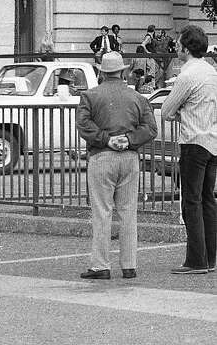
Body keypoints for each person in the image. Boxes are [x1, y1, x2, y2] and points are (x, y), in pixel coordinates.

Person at [76, 51, 157, 280]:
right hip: (129, 158)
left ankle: (101, 265)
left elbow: (83, 125)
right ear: (123, 71)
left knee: (102, 211)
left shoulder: (90, 96)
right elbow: (150, 128)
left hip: (102, 156)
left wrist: (105, 139)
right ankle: (129, 265)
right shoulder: (138, 98)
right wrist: (129, 139)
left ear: (101, 72)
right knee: (128, 211)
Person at [161, 25, 217, 275]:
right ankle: (210, 257)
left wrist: (181, 111)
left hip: (193, 141)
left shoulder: (186, 75)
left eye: (178, 43)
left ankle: (196, 260)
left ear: (185, 47)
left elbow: (166, 110)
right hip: (213, 141)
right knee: (208, 200)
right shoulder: (212, 72)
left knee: (190, 202)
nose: (176, 47)